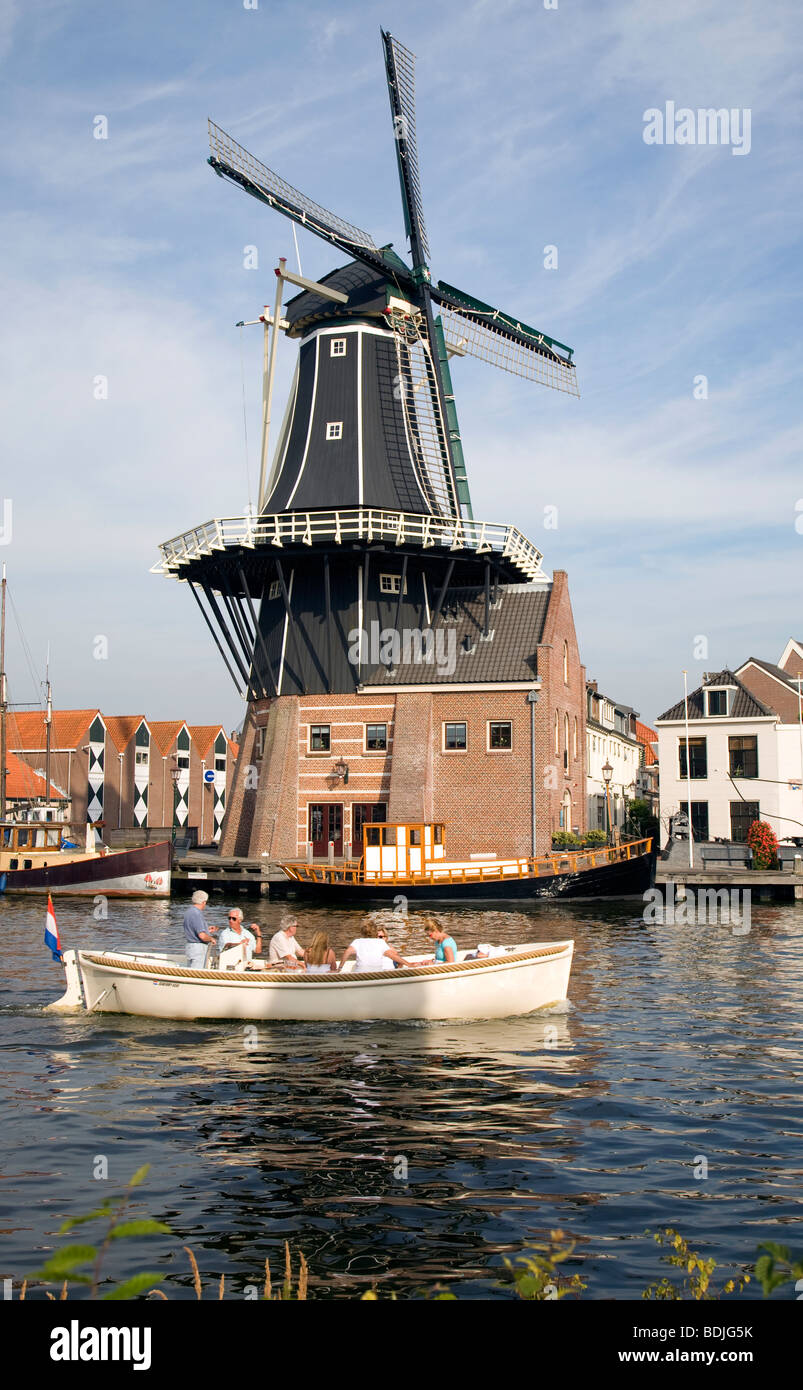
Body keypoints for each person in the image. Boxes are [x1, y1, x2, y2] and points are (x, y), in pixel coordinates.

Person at [338, 920, 413, 973]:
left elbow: (347, 952)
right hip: (376, 975)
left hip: (359, 974)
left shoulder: (357, 941)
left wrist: (339, 969)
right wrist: (409, 964)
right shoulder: (380, 942)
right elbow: (393, 956)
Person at [183, 890, 217, 967]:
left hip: (190, 946)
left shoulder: (188, 912)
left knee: (191, 971)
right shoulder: (197, 914)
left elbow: (192, 930)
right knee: (197, 972)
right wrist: (211, 939)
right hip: (198, 948)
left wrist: (207, 930)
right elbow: (202, 936)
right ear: (203, 902)